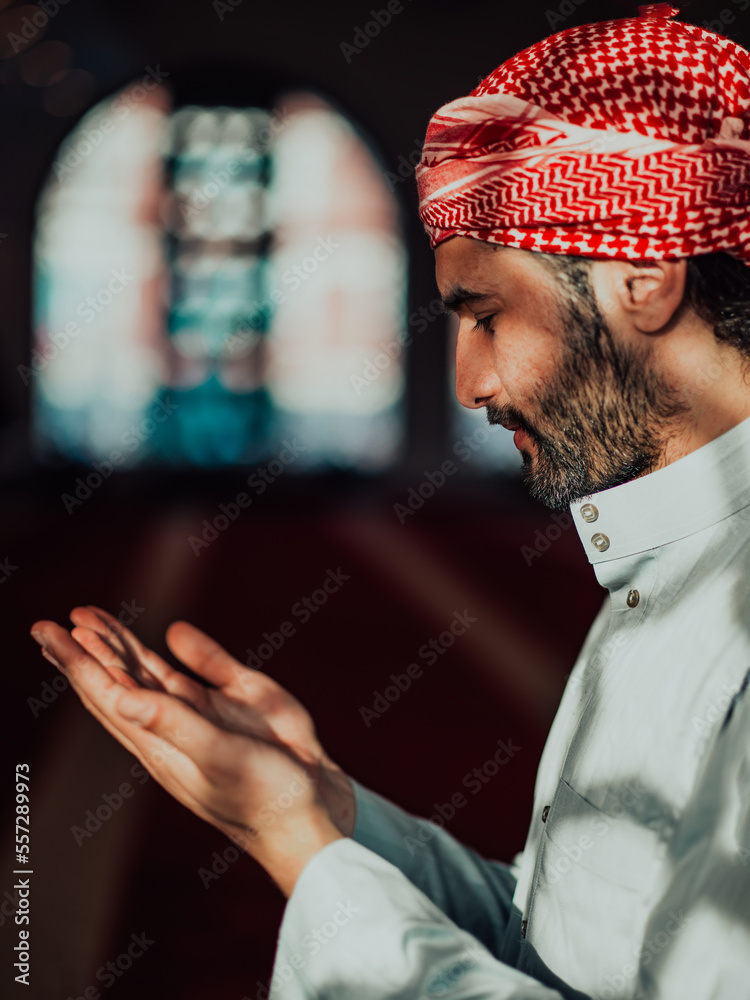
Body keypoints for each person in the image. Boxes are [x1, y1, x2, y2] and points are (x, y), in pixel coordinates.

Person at [30, 4, 750, 998]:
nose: (467, 384)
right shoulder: (668, 562)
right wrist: (324, 808)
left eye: (488, 314)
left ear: (645, 279)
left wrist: (293, 847)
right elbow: (570, 948)